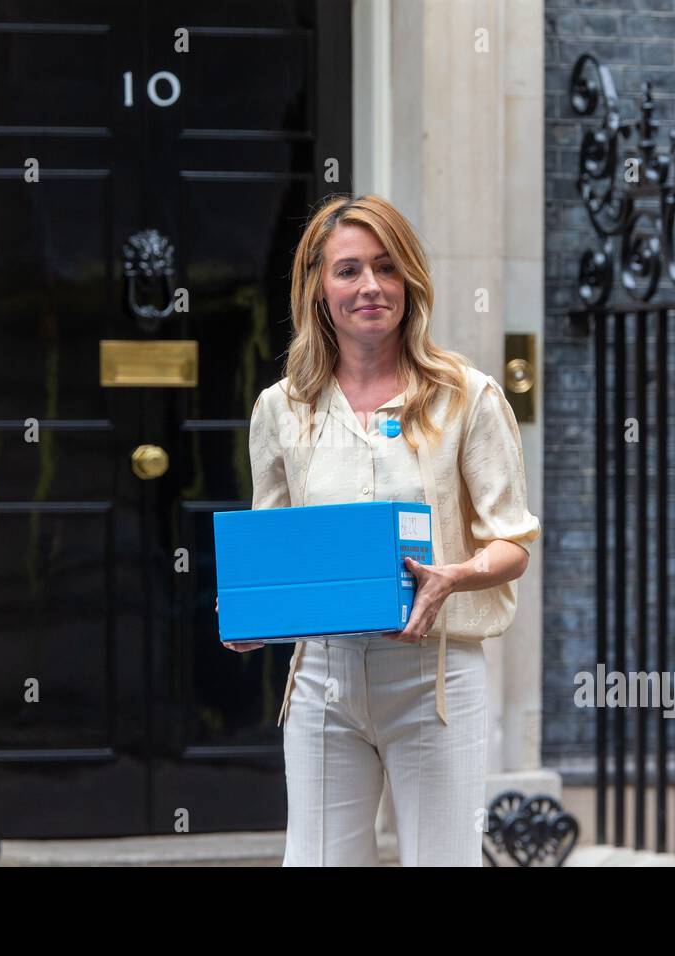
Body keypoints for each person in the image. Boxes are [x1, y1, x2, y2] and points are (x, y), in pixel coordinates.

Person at [223, 193, 541, 866]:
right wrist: (250, 610)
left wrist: (455, 576)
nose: (370, 286)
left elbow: (512, 543)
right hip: (322, 681)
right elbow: (273, 547)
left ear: (410, 282)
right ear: (317, 288)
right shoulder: (281, 409)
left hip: (434, 680)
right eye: (348, 270)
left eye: (387, 268)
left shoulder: (467, 395)